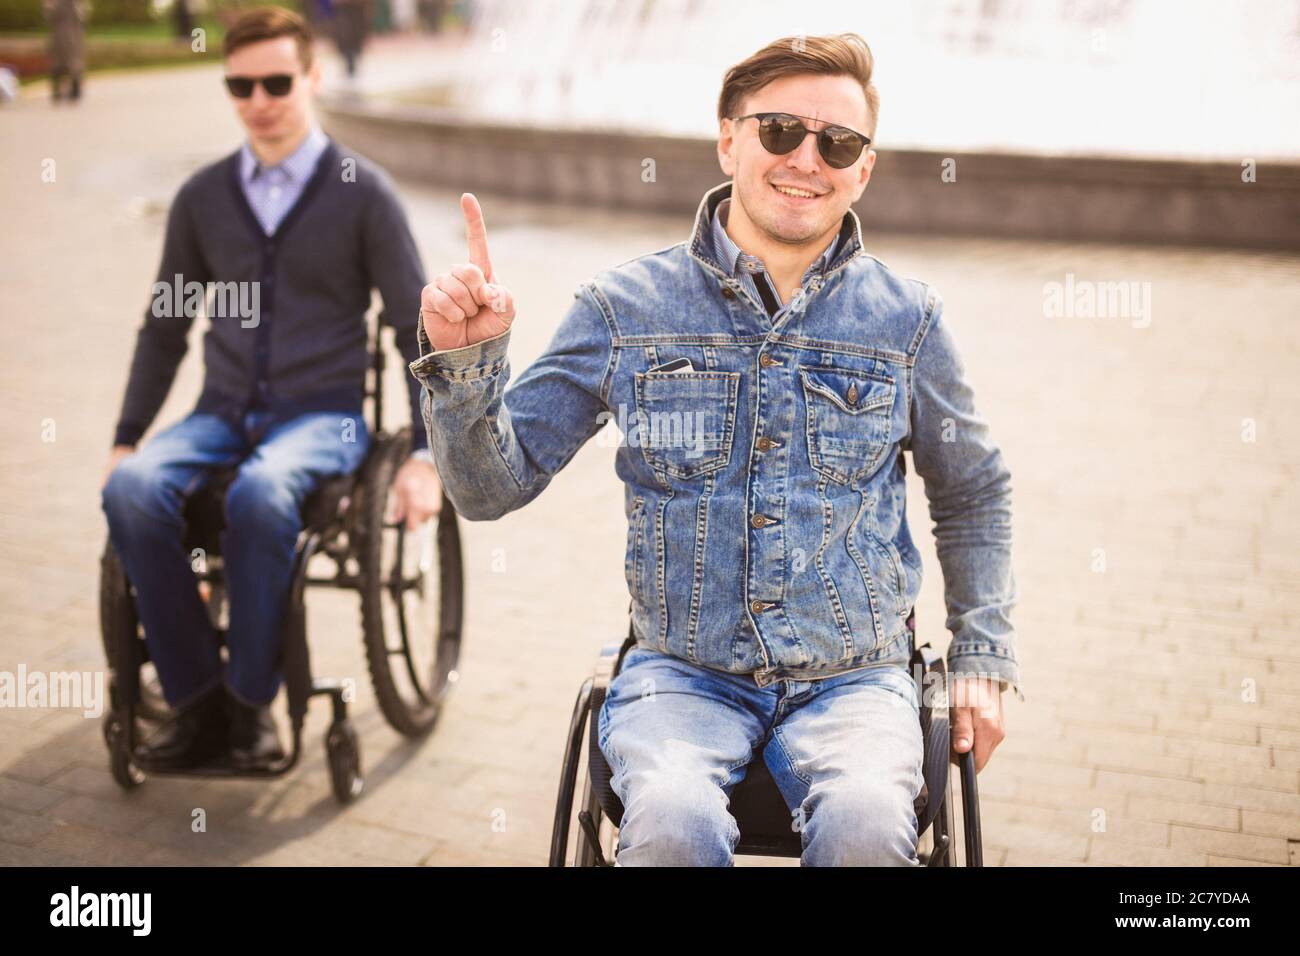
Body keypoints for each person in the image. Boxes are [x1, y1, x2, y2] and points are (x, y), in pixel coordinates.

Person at [411, 33, 1020, 865]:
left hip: (857, 678)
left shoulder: (908, 320)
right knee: (666, 824)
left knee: (870, 827)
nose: (807, 158)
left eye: (836, 142)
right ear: (727, 138)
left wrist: (982, 655)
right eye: (779, 131)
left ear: (863, 168)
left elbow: (973, 490)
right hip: (680, 675)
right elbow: (489, 489)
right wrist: (468, 361)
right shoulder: (623, 308)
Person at [102, 6, 442, 772]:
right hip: (220, 413)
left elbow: (411, 333)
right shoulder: (202, 197)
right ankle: (197, 702)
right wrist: (126, 435)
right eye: (241, 84)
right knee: (130, 489)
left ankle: (253, 710)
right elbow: (165, 328)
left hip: (325, 419)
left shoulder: (365, 193)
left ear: (312, 77)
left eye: (278, 80)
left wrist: (424, 453)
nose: (260, 99)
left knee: (261, 497)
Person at [43, 0, 87, 104]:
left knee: (69, 64)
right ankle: (62, 92)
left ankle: (71, 91)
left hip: (68, 37)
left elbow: (49, 17)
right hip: (65, 38)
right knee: (63, 64)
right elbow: (82, 17)